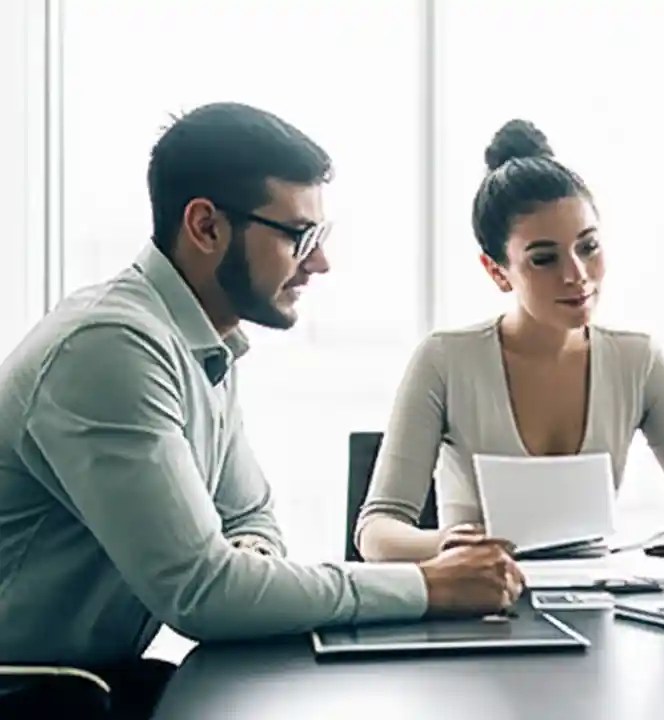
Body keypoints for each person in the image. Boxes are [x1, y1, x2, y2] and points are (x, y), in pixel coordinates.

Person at [0, 102, 523, 718]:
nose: (319, 262)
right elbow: (203, 592)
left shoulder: (200, 343)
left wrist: (243, 567)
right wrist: (427, 585)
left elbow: (252, 517)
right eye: (299, 236)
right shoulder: (111, 348)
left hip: (88, 685)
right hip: (31, 694)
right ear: (205, 226)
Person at [357, 120, 664, 569]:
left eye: (589, 247)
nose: (576, 275)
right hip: (474, 606)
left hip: (599, 612)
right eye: (544, 259)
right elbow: (377, 531)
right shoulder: (445, 360)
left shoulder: (638, 360)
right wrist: (448, 546)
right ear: (497, 271)